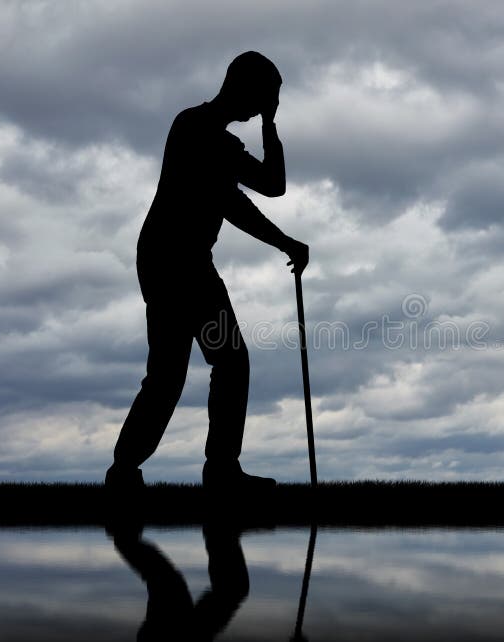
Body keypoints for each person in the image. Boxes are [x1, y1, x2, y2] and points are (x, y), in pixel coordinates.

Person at [105, 51, 308, 494]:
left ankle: (157, 471)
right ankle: (174, 471)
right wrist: (285, 242)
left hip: (186, 262)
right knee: (190, 369)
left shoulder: (219, 139)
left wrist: (269, 127)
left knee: (198, 368)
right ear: (242, 87)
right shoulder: (196, 129)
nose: (261, 109)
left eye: (268, 104)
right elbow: (234, 205)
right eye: (263, 100)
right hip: (174, 263)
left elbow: (274, 185)